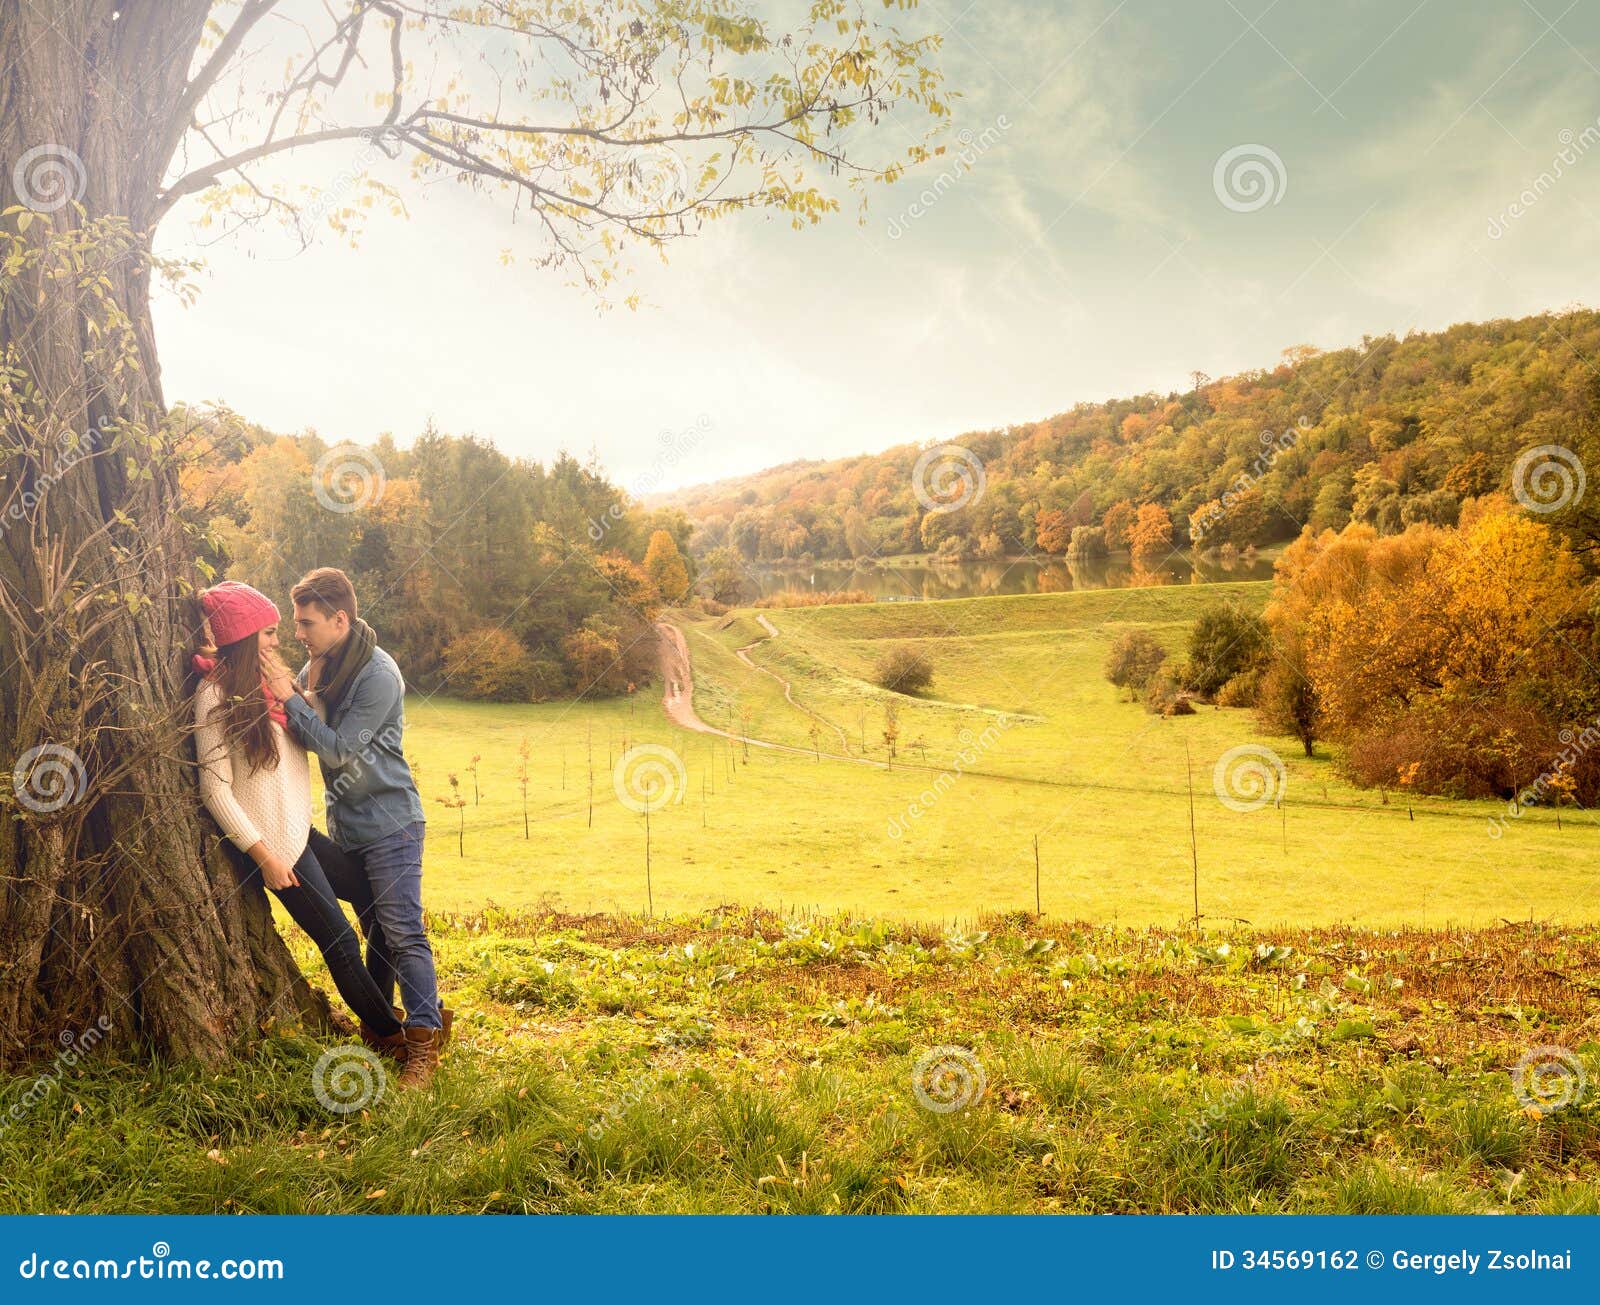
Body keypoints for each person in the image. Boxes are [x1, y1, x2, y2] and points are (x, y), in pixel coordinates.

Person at [191, 581, 408, 1064]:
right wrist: (263, 855)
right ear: (244, 637)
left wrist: (295, 693)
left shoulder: (272, 689)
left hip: (299, 833)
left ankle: (377, 1015)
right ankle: (395, 1035)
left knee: (378, 903)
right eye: (267, 633)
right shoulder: (213, 696)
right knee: (339, 938)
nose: (276, 641)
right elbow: (215, 790)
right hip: (272, 847)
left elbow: (322, 736)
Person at [259, 567, 447, 1089]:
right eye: (295, 624)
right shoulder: (322, 665)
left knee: (403, 932)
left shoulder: (377, 675)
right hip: (347, 827)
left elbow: (338, 750)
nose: (299, 633)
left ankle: (423, 1049)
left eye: (307, 623)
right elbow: (306, 722)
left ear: (340, 619)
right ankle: (381, 1028)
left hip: (391, 826)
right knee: (378, 931)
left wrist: (291, 697)